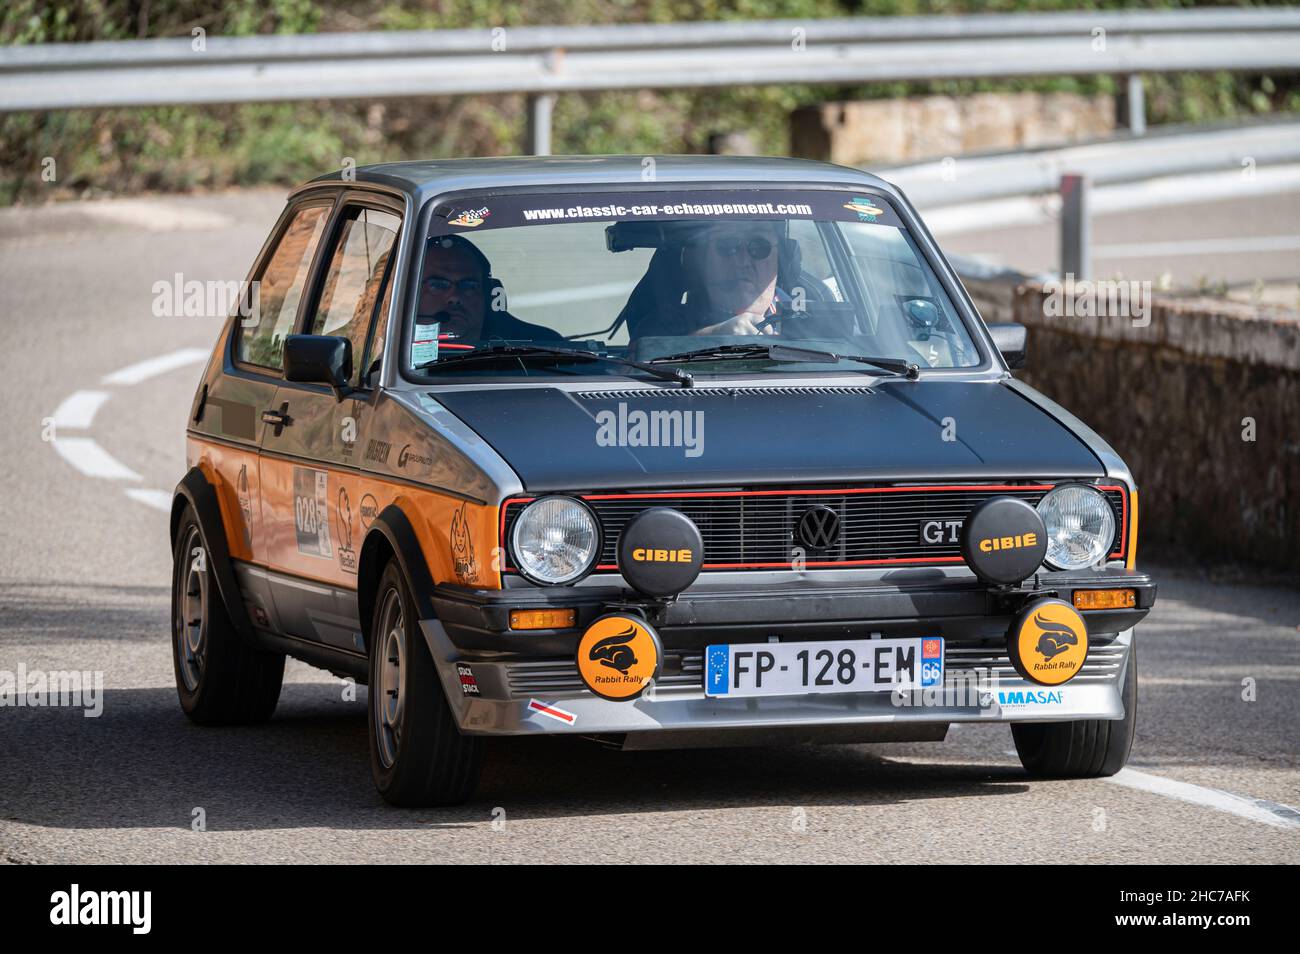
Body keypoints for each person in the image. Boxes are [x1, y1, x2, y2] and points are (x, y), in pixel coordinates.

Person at [626, 220, 790, 339]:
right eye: (727, 246)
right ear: (696, 262)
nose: (742, 262)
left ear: (782, 260)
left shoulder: (808, 318)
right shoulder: (663, 327)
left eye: (759, 247)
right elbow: (643, 356)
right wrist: (715, 336)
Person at [417, 235, 562, 343]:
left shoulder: (543, 348)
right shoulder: (394, 349)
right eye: (438, 285)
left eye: (469, 286)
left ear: (487, 295)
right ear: (411, 295)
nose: (454, 296)